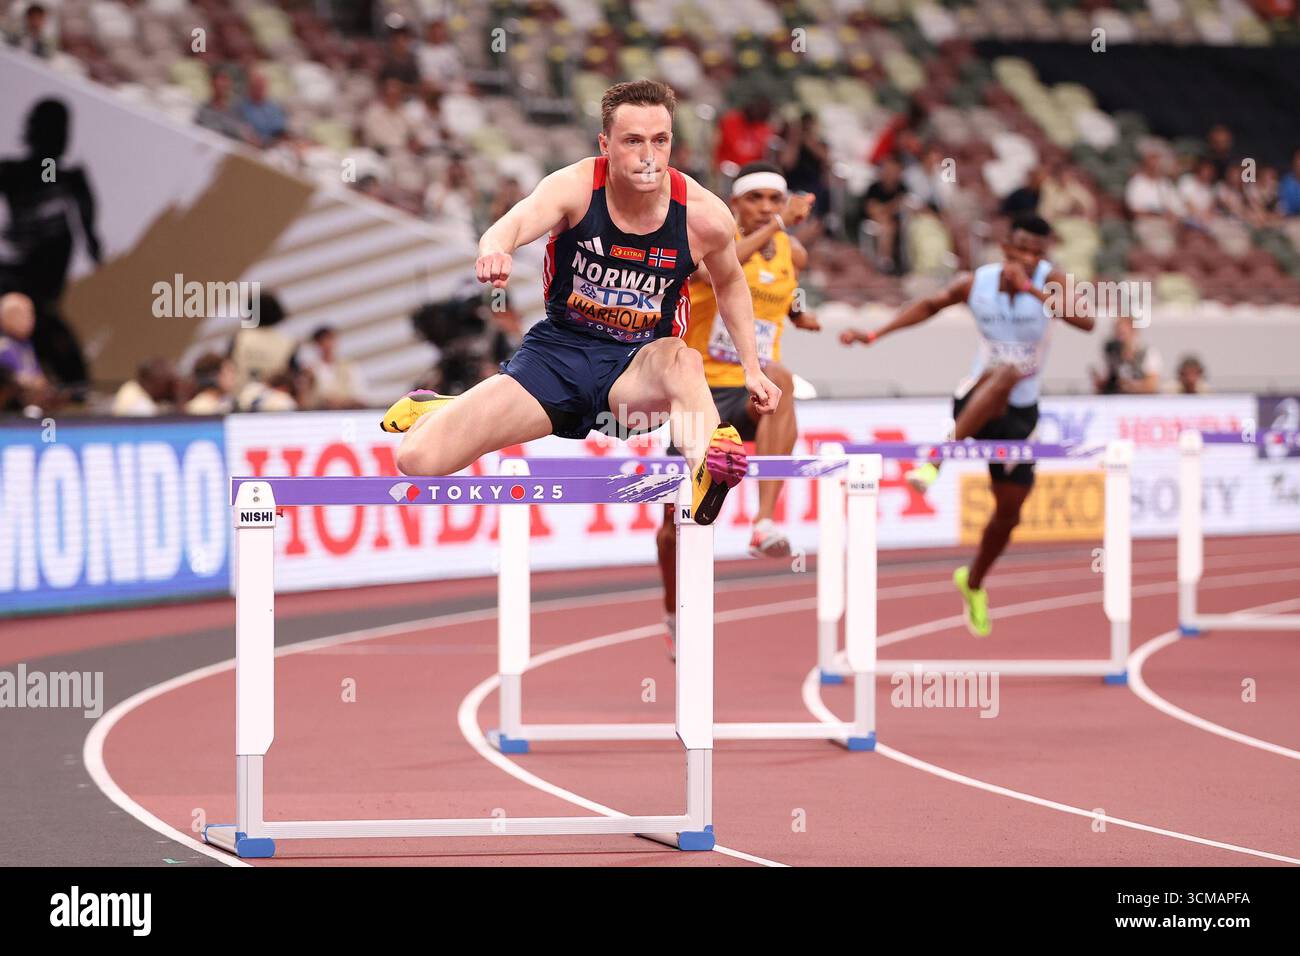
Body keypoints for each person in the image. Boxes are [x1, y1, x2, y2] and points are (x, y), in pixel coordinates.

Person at [381, 79, 782, 528]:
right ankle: (444, 408)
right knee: (418, 459)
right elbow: (510, 224)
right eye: (633, 141)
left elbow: (730, 283)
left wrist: (752, 369)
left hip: (638, 366)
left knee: (683, 361)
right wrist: (495, 250)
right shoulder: (574, 186)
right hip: (558, 356)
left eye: (660, 141)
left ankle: (707, 467)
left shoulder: (704, 215)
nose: (649, 156)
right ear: (605, 143)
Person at [840, 215, 1094, 636]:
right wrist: (873, 335)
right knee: (1006, 370)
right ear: (1006, 248)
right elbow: (928, 306)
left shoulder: (1053, 283)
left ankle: (973, 582)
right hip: (974, 400)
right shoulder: (977, 282)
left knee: (1009, 514)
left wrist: (1032, 289)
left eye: (1037, 253)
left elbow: (1087, 323)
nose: (1028, 259)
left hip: (1019, 415)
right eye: (1021, 250)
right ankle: (934, 462)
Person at [656, 162, 818, 656]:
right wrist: (778, 224)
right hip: (699, 392)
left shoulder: (795, 254)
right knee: (672, 525)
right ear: (734, 203)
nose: (766, 208)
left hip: (752, 389)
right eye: (756, 200)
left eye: (775, 199)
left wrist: (800, 313)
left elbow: (781, 294)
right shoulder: (709, 239)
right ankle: (671, 609)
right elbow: (712, 275)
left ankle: (764, 521)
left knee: (784, 382)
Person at [1091, 315, 1160, 395]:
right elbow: (1103, 383)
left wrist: (1131, 386)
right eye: (1117, 332)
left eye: (1123, 332)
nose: (1120, 337)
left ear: (1133, 331)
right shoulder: (1112, 355)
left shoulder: (1148, 353)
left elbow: (1152, 386)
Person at [863, 156, 908, 274]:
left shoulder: (903, 188)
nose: (891, 174)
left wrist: (887, 209)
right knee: (886, 225)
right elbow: (872, 210)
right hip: (877, 222)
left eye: (894, 171)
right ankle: (884, 260)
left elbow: (907, 205)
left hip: (900, 223)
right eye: (888, 170)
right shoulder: (874, 188)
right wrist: (893, 206)